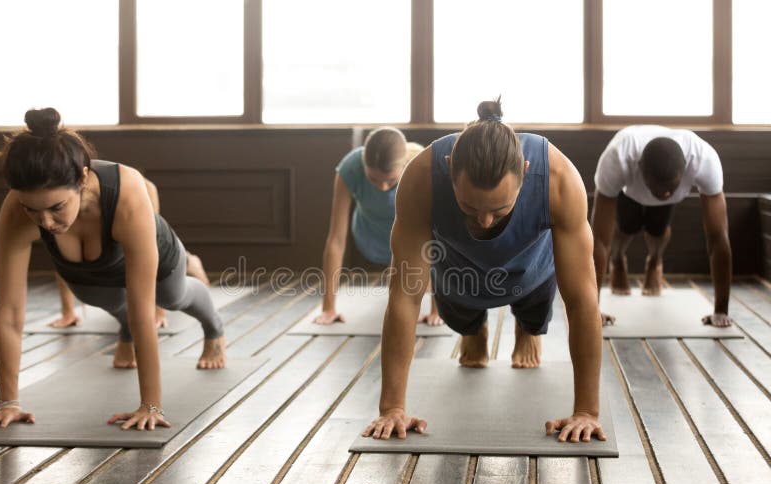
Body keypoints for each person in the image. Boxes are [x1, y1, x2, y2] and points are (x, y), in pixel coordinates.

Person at [362, 98, 605, 444]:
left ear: (525, 168)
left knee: (535, 314)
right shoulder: (422, 178)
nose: (485, 219)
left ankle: (527, 327)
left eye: (500, 208)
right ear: (448, 167)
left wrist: (586, 412)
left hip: (530, 271)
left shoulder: (559, 179)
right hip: (458, 273)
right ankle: (472, 327)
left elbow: (583, 302)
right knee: (463, 318)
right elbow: (405, 296)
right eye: (469, 206)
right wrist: (392, 408)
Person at [0, 108, 226, 432]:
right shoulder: (16, 211)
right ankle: (125, 331)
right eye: (32, 210)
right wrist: (8, 403)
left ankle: (214, 327)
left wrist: (150, 405)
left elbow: (144, 308)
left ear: (82, 179)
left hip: (157, 255)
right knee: (94, 296)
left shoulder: (126, 191)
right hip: (91, 268)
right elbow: (9, 311)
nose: (45, 222)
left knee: (172, 296)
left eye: (56, 207)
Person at [590, 125, 732, 327]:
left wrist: (721, 310)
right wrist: (592, 309)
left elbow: (718, 238)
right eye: (658, 189)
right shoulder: (618, 158)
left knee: (656, 230)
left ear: (685, 171)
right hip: (627, 192)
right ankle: (618, 260)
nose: (665, 194)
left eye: (670, 189)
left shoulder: (703, 159)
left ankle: (655, 262)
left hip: (662, 184)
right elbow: (599, 241)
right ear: (639, 168)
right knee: (626, 227)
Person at [314, 127, 443, 326]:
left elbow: (435, 236)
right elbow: (336, 240)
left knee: (409, 285)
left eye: (390, 181)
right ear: (363, 163)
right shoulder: (350, 167)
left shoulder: (421, 166)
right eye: (373, 179)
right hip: (370, 236)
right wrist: (328, 308)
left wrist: (436, 310)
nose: (382, 187)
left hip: (409, 241)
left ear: (403, 165)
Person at [49, 176, 211, 330]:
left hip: (158, 250)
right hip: (111, 256)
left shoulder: (143, 190)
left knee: (167, 282)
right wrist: (68, 312)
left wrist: (158, 311)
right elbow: (64, 262)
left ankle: (191, 261)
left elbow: (154, 251)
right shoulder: (67, 204)